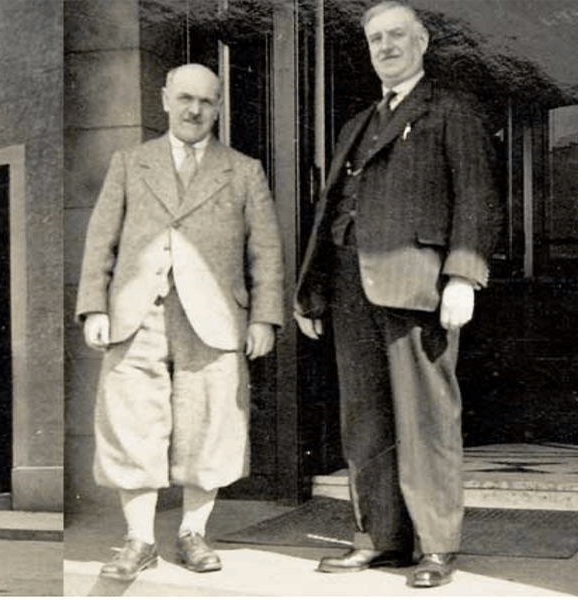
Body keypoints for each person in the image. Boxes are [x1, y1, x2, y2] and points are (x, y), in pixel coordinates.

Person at [293, 1, 500, 589]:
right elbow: (329, 214)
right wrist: (311, 293)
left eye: (396, 36)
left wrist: (463, 276)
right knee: (365, 419)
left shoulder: (451, 111)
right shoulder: (355, 124)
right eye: (375, 39)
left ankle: (435, 546)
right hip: (350, 287)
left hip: (417, 285)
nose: (385, 47)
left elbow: (478, 197)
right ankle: (380, 539)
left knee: (426, 420)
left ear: (423, 41)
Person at [77, 63, 283, 581]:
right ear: (165, 99)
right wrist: (95, 306)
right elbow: (101, 237)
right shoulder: (130, 162)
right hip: (136, 312)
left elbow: (266, 252)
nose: (195, 110)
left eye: (207, 101)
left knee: (209, 422)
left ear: (218, 107)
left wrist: (264, 318)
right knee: (130, 420)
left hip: (214, 317)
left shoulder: (243, 170)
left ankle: (193, 532)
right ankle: (139, 539)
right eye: (185, 98)